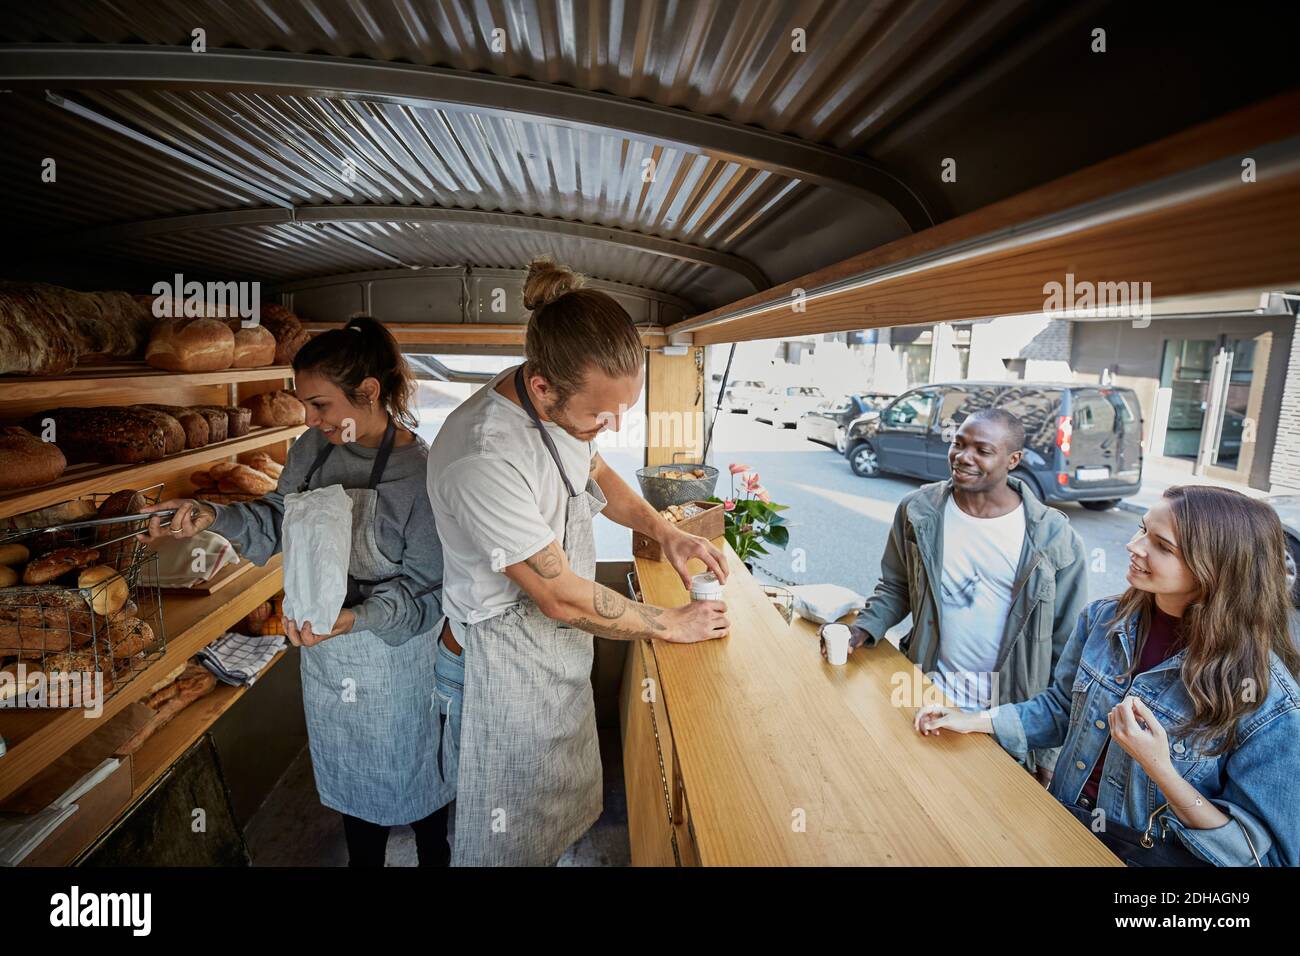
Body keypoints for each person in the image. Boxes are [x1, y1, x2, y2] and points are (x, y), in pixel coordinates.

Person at [427, 257, 729, 866]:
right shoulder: (484, 455)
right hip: (496, 667)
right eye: (601, 414)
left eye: (625, 410)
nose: (612, 427)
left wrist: (662, 532)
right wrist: (667, 622)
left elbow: (592, 468)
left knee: (548, 826)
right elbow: (559, 595)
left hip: (547, 655)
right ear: (540, 387)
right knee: (501, 843)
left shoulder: (561, 402)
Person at [139, 317, 452, 866]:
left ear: (370, 392)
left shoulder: (420, 475)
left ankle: (434, 854)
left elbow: (428, 594)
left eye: (321, 406)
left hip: (393, 656)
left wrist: (356, 618)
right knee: (353, 776)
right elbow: (277, 520)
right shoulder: (313, 449)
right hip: (325, 645)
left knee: (415, 772)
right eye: (304, 405)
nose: (309, 419)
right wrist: (210, 515)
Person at [915, 486, 1300, 866]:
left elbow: (1255, 854)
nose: (1135, 546)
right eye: (1142, 529)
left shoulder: (1267, 697)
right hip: (1061, 827)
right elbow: (1061, 711)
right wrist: (975, 719)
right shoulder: (1103, 619)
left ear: (1217, 569)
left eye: (1162, 546)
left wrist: (1160, 768)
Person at [824, 408, 1088, 778]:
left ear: (1013, 460)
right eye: (958, 444)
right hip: (925, 695)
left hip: (1002, 718)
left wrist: (1046, 754)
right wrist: (862, 629)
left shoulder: (1054, 537)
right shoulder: (919, 511)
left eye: (982, 450)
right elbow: (897, 586)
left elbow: (1068, 652)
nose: (964, 457)